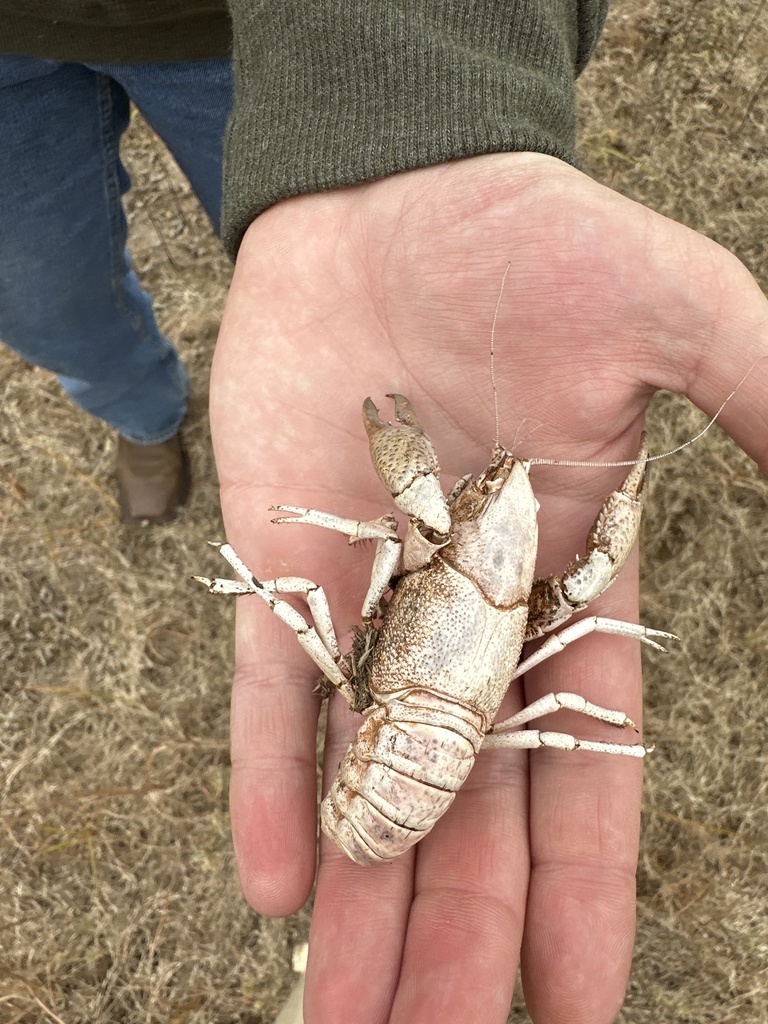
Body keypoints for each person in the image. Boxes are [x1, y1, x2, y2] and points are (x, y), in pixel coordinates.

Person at [4, 4, 768, 1023]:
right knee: (44, 290)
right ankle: (138, 410)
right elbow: (552, 606)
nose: (489, 492)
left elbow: (405, 543)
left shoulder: (443, 551)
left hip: (232, 35)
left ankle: (142, 414)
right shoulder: (535, 604)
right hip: (409, 742)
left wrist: (394, 113)